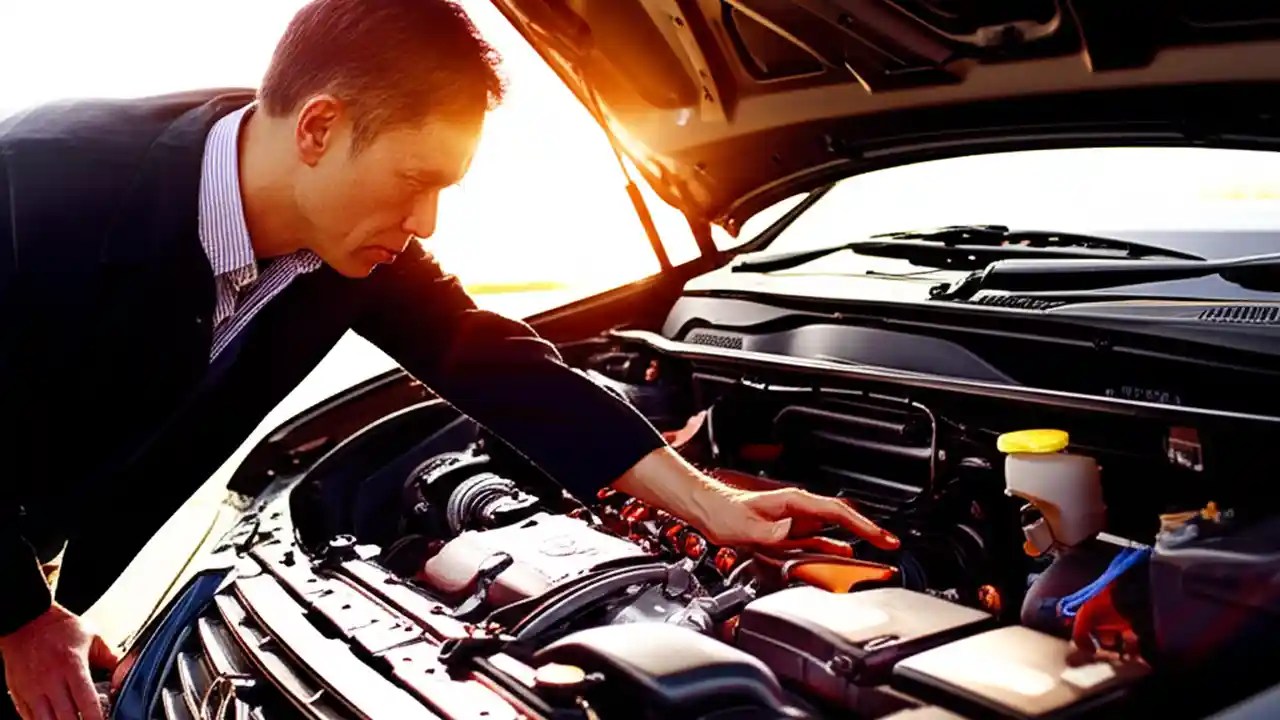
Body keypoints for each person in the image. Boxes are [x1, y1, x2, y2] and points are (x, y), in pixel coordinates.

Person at [0, 1, 899, 718]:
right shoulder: (38, 185)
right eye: (413, 181)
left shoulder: (345, 242)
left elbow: (493, 360)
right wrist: (17, 615)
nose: (427, 222)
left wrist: (714, 504)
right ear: (318, 129)